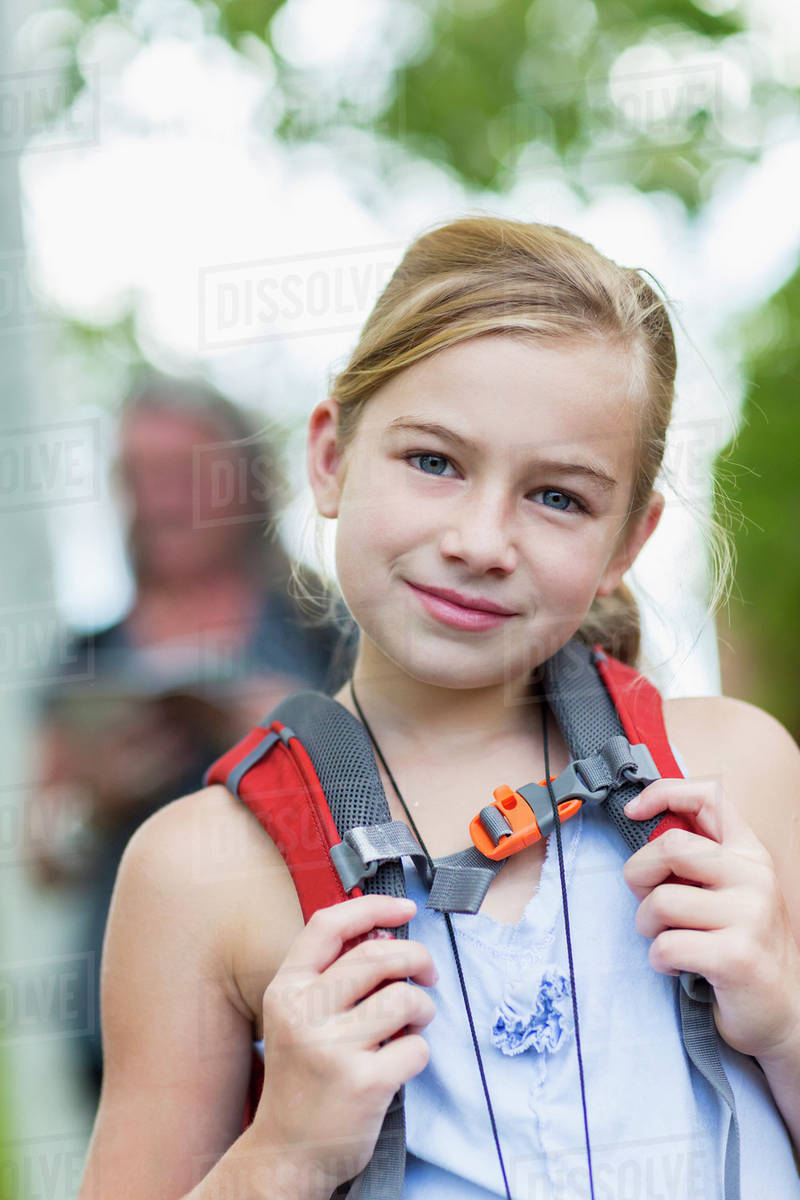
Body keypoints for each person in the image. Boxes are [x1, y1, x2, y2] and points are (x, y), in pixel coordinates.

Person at [78, 218, 800, 1200]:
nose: (479, 539)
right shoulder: (197, 873)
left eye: (556, 497)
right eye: (432, 462)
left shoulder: (735, 776)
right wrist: (280, 1151)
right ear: (330, 459)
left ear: (627, 542)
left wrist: (786, 1025)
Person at [30, 374, 353, 1101]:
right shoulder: (87, 656)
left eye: (182, 474)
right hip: (124, 1019)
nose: (159, 498)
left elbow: (410, 786)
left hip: (301, 1002)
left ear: (243, 482)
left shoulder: (324, 631)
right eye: (137, 475)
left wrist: (287, 728)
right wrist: (97, 800)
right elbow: (42, 853)